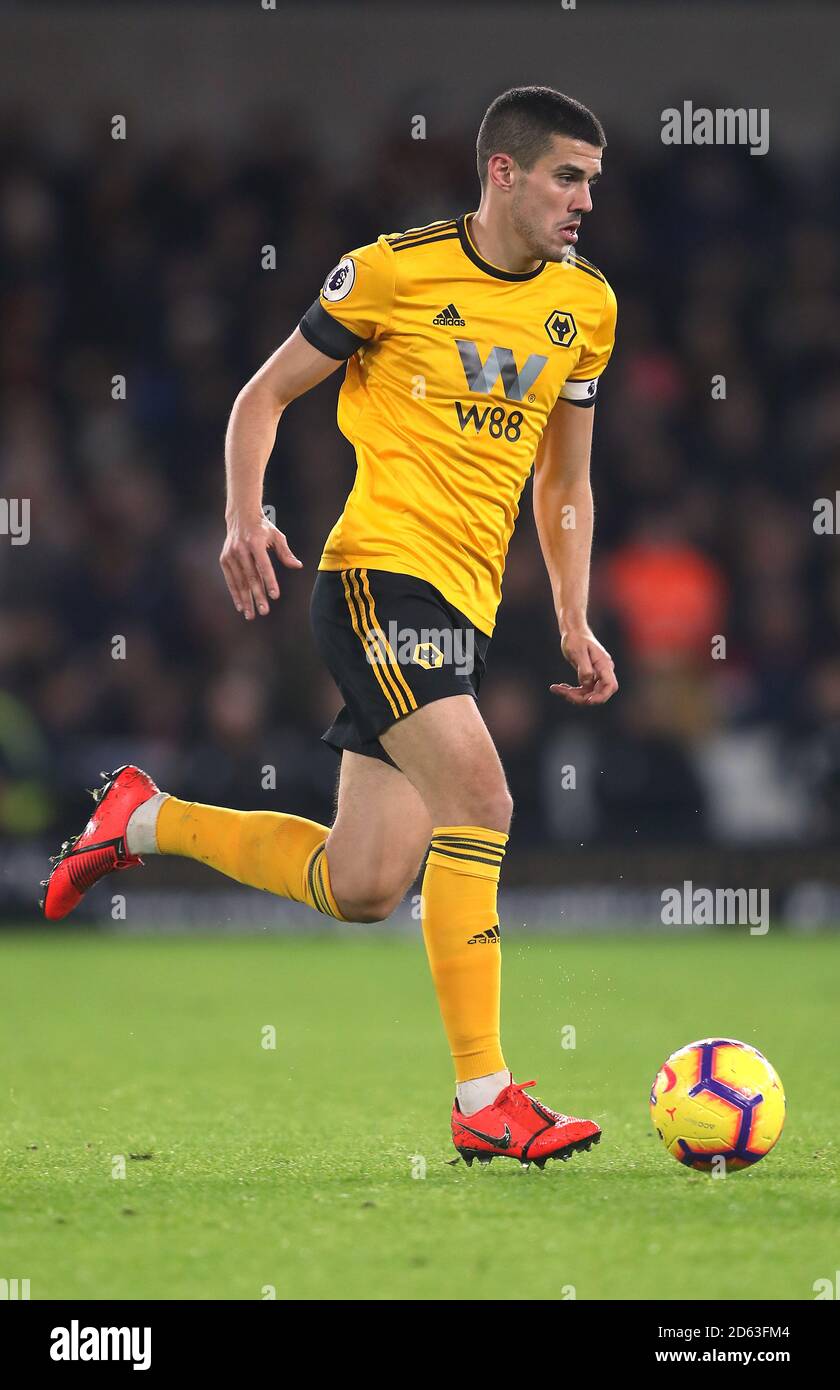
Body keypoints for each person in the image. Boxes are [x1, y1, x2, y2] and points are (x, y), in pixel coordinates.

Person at [42, 86, 619, 1168]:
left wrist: (574, 617)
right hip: (375, 581)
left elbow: (565, 484)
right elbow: (260, 399)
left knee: (364, 885)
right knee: (484, 800)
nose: (587, 198)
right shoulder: (393, 272)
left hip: (464, 605)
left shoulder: (586, 306)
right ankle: (486, 1098)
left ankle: (144, 820)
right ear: (503, 172)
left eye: (592, 180)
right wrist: (242, 516)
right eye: (568, 176)